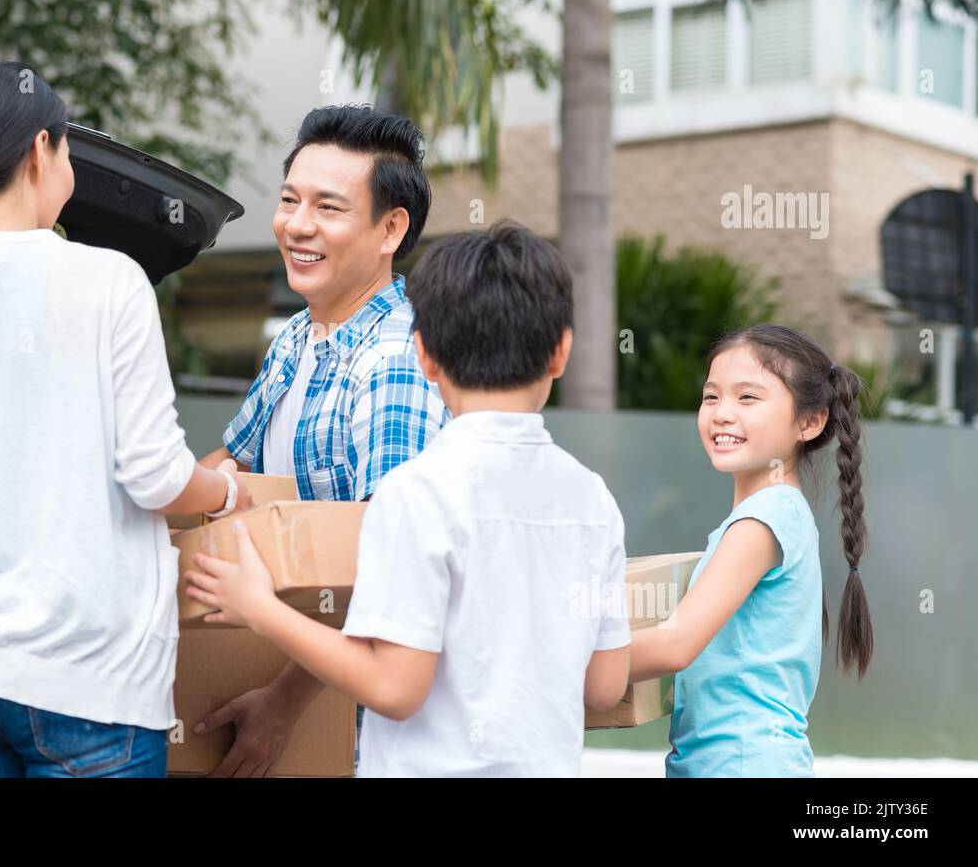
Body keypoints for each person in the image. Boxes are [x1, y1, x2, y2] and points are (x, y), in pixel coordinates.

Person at [0, 61, 251, 778]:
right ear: (41, 149)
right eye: (67, 151)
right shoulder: (110, 282)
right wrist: (225, 493)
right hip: (88, 682)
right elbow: (157, 477)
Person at [185, 220, 632, 776]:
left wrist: (262, 609)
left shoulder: (416, 493)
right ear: (561, 352)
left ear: (423, 355)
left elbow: (395, 688)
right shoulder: (593, 501)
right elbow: (606, 686)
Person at [192, 105, 451, 775]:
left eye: (328, 207)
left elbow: (386, 561)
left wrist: (283, 703)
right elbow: (228, 464)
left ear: (391, 227)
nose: (297, 225)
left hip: (352, 719)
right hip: (268, 664)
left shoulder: (395, 357)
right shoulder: (296, 338)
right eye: (288, 200)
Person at [628, 324, 874, 776]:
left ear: (810, 421)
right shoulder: (777, 513)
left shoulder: (765, 519)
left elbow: (676, 644)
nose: (722, 413)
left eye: (747, 398)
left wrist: (555, 653)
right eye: (711, 396)